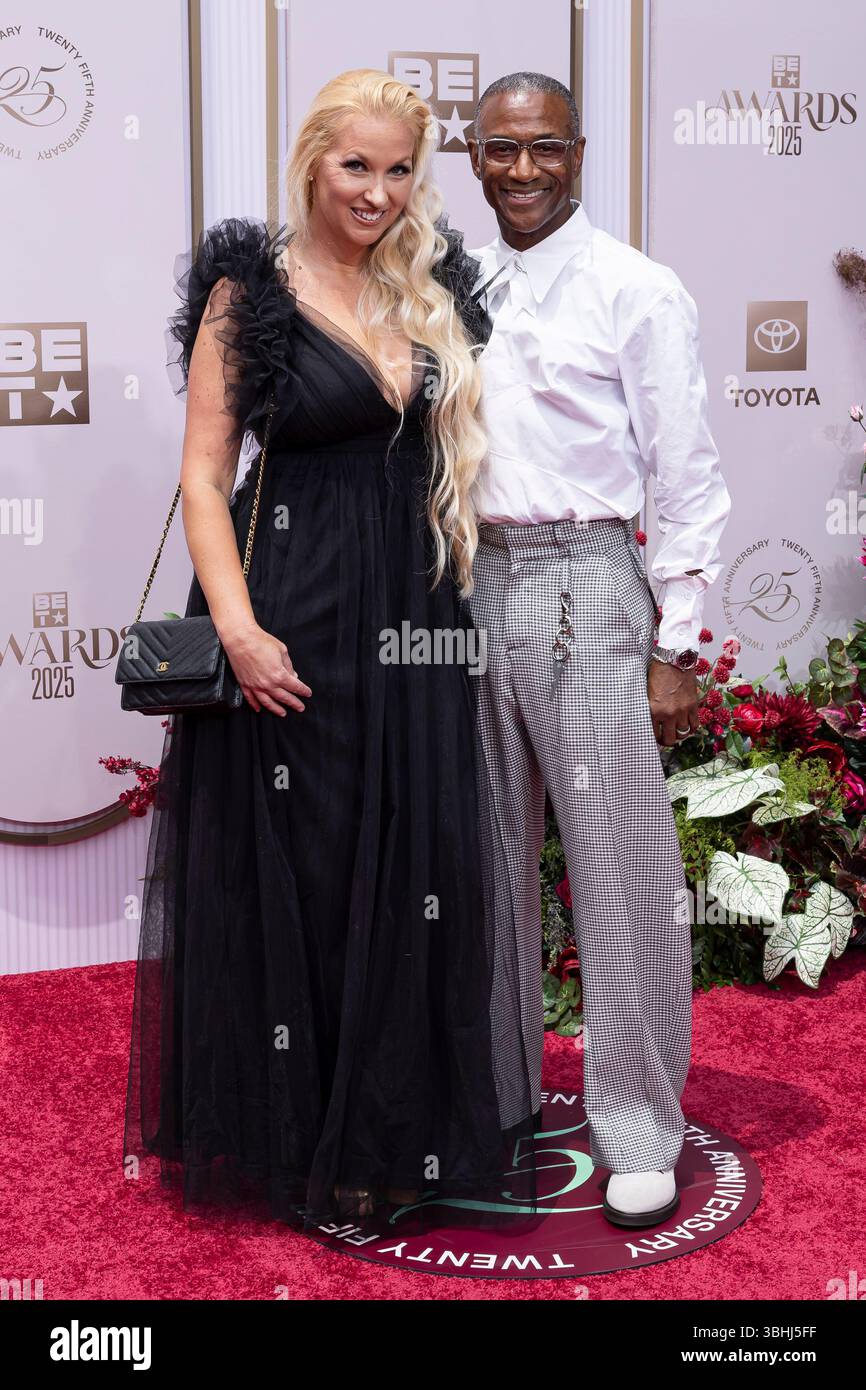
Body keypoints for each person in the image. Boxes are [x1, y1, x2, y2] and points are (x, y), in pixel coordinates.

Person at [123, 68, 536, 1241]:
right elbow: (204, 477)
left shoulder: (434, 280)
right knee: (310, 862)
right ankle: (300, 1136)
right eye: (356, 165)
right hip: (295, 611)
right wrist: (241, 628)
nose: (377, 190)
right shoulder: (245, 292)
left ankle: (392, 1129)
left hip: (417, 610)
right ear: (313, 160)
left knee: (418, 862)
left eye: (399, 167)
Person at [465, 72, 731, 1228]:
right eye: (498, 150)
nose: (521, 171)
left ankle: (634, 1122)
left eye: (542, 149)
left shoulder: (637, 288)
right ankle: (492, 1099)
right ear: (469, 158)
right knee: (478, 867)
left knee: (619, 874)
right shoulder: (449, 285)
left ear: (576, 153)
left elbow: (686, 472)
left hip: (589, 578)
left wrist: (675, 640)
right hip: (469, 579)